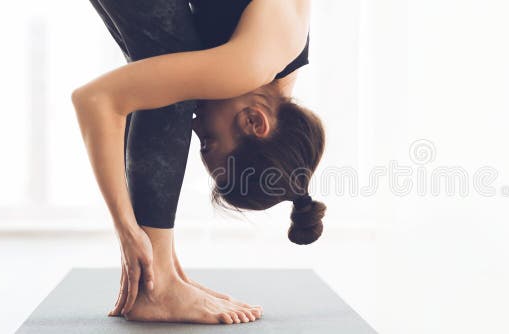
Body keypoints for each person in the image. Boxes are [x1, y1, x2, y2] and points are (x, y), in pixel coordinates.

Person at [73, 0, 326, 324]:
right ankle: (157, 285)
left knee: (167, 74)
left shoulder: (279, 63)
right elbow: (95, 100)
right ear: (254, 123)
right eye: (209, 141)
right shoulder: (247, 66)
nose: (195, 128)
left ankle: (165, 273)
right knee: (172, 84)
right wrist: (126, 229)